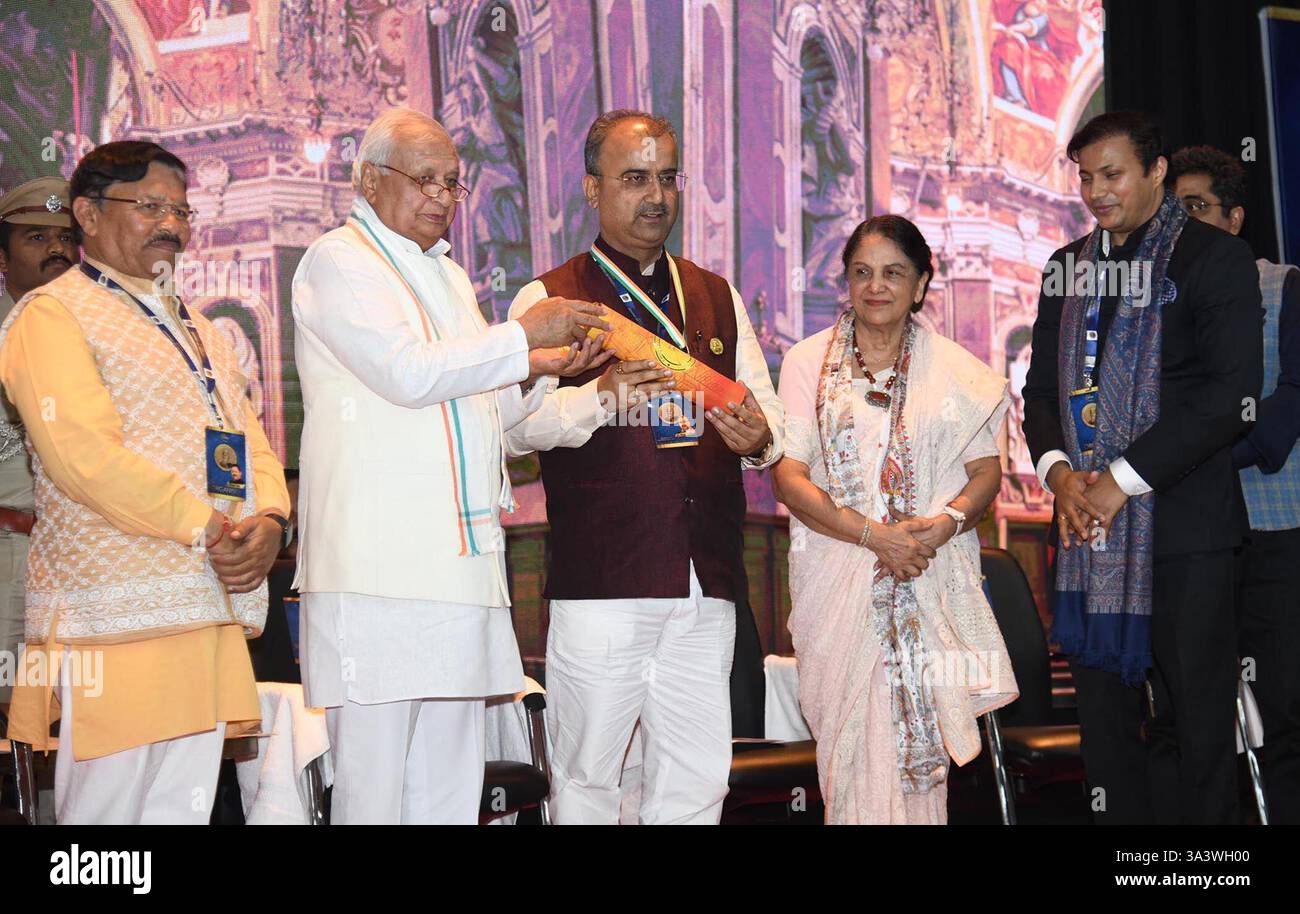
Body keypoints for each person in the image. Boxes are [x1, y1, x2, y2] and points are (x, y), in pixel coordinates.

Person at [292, 106, 609, 824]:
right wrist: (522, 339)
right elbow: (405, 373)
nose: (440, 196)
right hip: (377, 570)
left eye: (452, 183)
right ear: (371, 180)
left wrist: (543, 370)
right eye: (424, 179)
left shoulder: (452, 278)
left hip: (459, 567)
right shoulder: (337, 261)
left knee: (448, 789)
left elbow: (484, 410)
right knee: (374, 789)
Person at [504, 109, 784, 825]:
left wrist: (760, 438)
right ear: (592, 189)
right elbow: (508, 430)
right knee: (590, 780)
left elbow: (770, 425)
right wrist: (598, 399)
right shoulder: (551, 297)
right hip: (605, 580)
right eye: (634, 179)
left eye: (667, 178)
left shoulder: (716, 295)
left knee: (696, 780)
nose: (655, 195)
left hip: (706, 580)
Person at [0, 141, 290, 824]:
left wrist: (271, 518)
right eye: (152, 206)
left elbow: (250, 437)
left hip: (204, 607)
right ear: (88, 215)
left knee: (177, 815)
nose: (173, 225)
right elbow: (82, 458)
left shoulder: (197, 327)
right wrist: (209, 525)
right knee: (105, 824)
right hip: (113, 622)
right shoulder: (52, 314)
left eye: (181, 210)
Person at [1022, 112, 1264, 824]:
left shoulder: (1212, 260)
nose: (1096, 191)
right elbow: (1039, 394)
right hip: (1089, 542)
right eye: (1085, 177)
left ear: (1157, 171)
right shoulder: (1065, 268)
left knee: (1196, 731)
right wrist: (1063, 477)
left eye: (1113, 174)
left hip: (1187, 536)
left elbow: (1228, 398)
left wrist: (1119, 482)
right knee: (1108, 738)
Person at [772, 215, 1017, 823]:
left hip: (925, 572)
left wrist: (949, 523)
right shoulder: (806, 362)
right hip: (836, 576)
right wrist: (874, 536)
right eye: (862, 273)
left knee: (918, 760)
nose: (875, 287)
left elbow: (985, 472)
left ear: (921, 284)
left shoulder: (955, 370)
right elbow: (788, 477)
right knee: (849, 752)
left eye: (892, 273)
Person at [1171, 145, 1300, 823]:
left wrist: (1184, 462)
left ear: (1236, 217)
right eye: (1173, 213)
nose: (1182, 226)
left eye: (1196, 208)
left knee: (1282, 709)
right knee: (1197, 717)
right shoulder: (1158, 308)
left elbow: (1285, 412)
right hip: (1194, 544)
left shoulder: (1284, 286)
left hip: (1276, 534)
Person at [0, 176, 78, 712]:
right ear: (3, 255)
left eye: (66, 237)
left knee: (74, 721)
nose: (56, 249)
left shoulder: (106, 327)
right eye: (35, 237)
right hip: (11, 552)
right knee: (13, 717)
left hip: (87, 555)